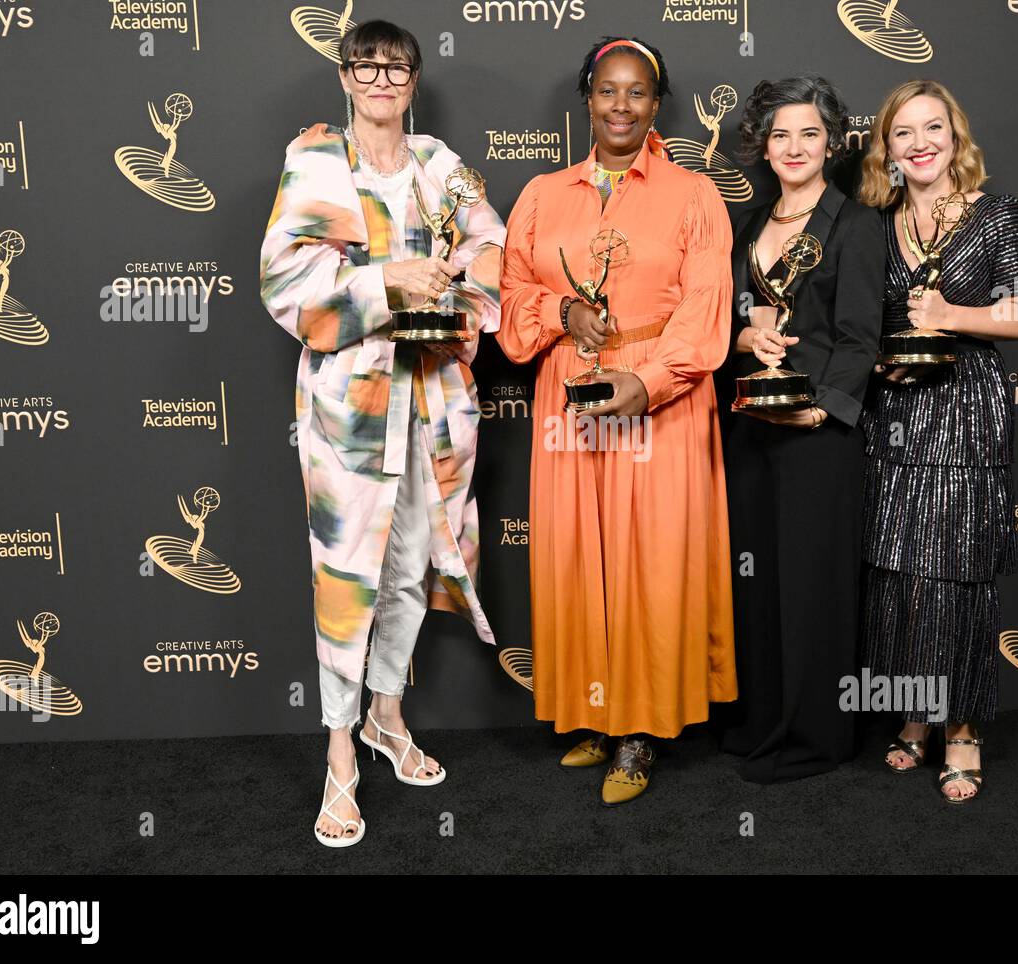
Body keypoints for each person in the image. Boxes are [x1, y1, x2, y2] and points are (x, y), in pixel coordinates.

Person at [258, 20, 505, 845]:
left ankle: (387, 717)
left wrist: (456, 299)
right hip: (349, 410)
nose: (380, 79)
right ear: (344, 78)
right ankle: (339, 755)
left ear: (414, 79)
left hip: (431, 401)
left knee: (407, 569)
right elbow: (284, 279)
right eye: (365, 65)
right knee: (345, 580)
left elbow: (494, 250)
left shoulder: (439, 166)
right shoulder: (317, 164)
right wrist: (386, 279)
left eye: (395, 67)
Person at [498, 36, 737, 806]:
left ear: (657, 104)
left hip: (659, 403)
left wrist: (650, 380)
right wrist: (558, 310)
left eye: (637, 93)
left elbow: (706, 312)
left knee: (650, 561)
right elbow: (507, 310)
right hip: (568, 394)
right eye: (608, 91)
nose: (621, 106)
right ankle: (594, 715)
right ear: (587, 97)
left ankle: (640, 731)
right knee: (579, 555)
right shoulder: (541, 194)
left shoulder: (694, 194)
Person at [858, 79, 1018, 804]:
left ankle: (962, 729)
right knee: (898, 570)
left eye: (933, 127)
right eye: (903, 132)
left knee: (958, 571)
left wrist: (950, 313)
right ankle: (914, 715)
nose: (920, 142)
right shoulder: (877, 224)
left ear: (956, 138)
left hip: (966, 410)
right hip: (894, 413)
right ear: (887, 149)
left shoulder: (999, 214)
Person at [716, 76, 884, 783]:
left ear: (832, 142)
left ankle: (816, 735)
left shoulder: (855, 224)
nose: (793, 147)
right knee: (757, 582)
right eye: (780, 134)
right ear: (762, 144)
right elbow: (730, 326)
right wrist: (745, 341)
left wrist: (825, 407)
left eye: (809, 133)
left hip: (819, 432)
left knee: (814, 585)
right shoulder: (750, 226)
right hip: (754, 426)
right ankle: (763, 722)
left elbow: (858, 337)